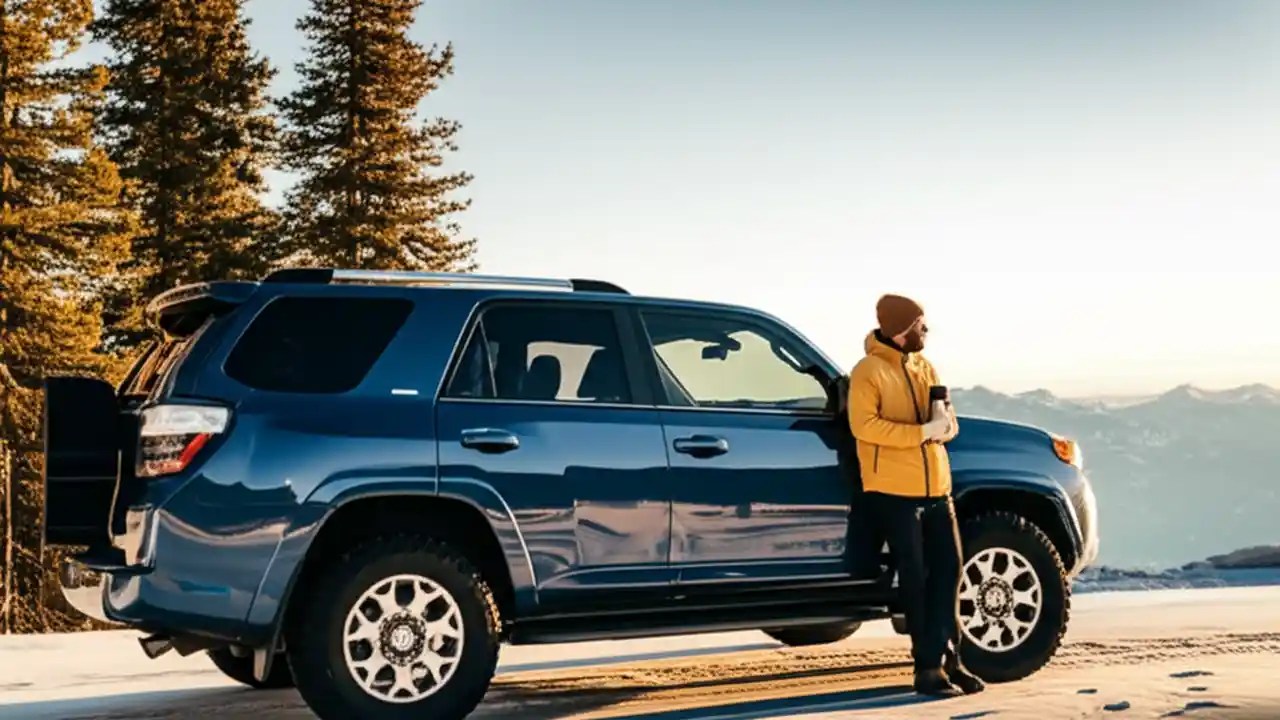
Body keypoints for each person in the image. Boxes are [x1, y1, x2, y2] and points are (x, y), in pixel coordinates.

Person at [846, 293, 985, 697]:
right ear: (901, 330)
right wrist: (920, 434)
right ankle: (927, 670)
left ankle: (951, 658)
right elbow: (864, 427)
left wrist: (943, 428)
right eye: (921, 324)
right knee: (917, 580)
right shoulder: (868, 371)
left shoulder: (925, 366)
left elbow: (948, 422)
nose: (926, 331)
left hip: (937, 489)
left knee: (950, 572)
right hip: (893, 492)